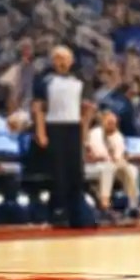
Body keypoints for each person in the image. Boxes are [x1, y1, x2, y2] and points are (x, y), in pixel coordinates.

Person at [32, 45, 96, 229]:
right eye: (58, 58)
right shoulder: (45, 80)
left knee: (76, 172)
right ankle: (58, 213)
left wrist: (84, 135)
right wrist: (41, 132)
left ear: (72, 61)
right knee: (58, 173)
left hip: (74, 128)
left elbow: (88, 109)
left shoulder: (80, 80)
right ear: (53, 61)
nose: (62, 62)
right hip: (54, 127)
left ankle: (78, 213)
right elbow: (39, 108)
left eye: (65, 58)